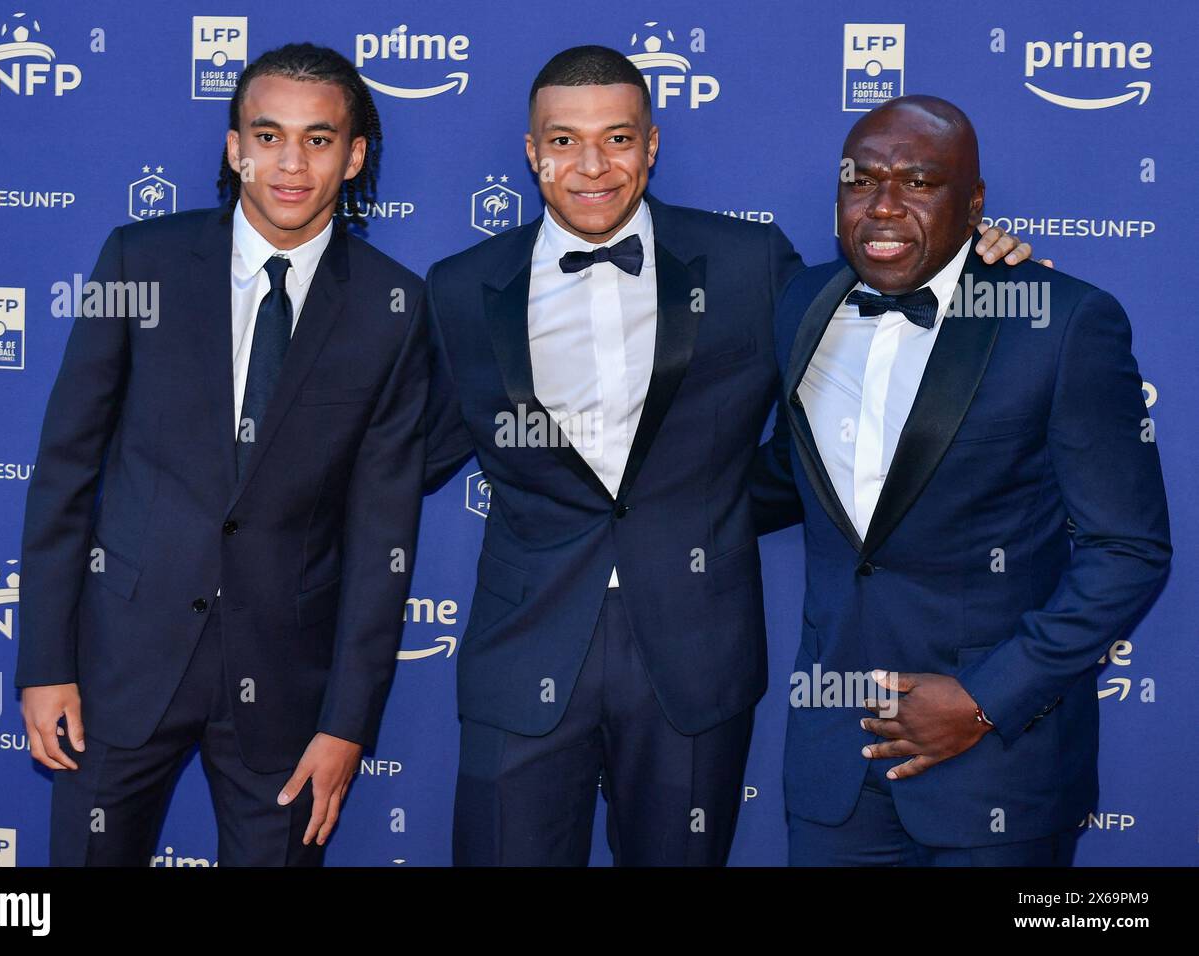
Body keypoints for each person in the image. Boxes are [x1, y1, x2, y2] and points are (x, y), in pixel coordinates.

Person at [424, 47, 1033, 866]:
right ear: (533, 155)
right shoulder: (460, 286)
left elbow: (878, 342)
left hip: (694, 654)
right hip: (521, 648)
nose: (593, 165)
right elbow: (400, 450)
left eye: (618, 138)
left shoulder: (747, 264)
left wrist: (978, 267)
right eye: (564, 142)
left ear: (652, 145)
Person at [15, 43, 429, 866]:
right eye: (267, 135)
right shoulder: (141, 262)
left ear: (353, 158)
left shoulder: (394, 306)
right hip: (118, 671)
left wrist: (348, 721)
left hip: (286, 687)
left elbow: (385, 534)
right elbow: (66, 470)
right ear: (235, 147)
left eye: (318, 139)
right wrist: (45, 662)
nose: (289, 162)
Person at [756, 94, 1170, 866]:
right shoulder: (798, 306)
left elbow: (1128, 548)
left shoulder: (1060, 321)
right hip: (831, 770)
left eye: (919, 182)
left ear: (974, 203)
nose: (884, 207)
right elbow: (782, 476)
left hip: (999, 769)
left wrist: (983, 701)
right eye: (861, 181)